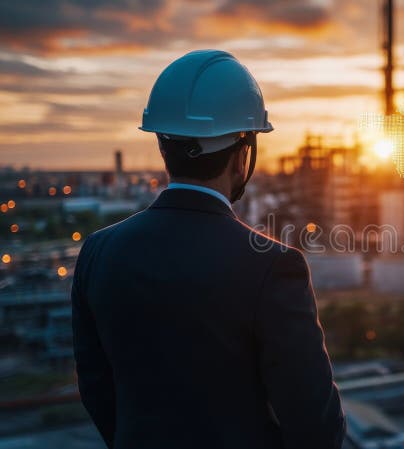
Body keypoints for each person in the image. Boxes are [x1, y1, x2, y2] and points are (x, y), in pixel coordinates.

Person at [71, 50, 345, 449]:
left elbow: (96, 390)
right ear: (242, 154)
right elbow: (316, 428)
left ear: (163, 147)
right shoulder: (272, 267)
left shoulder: (98, 252)